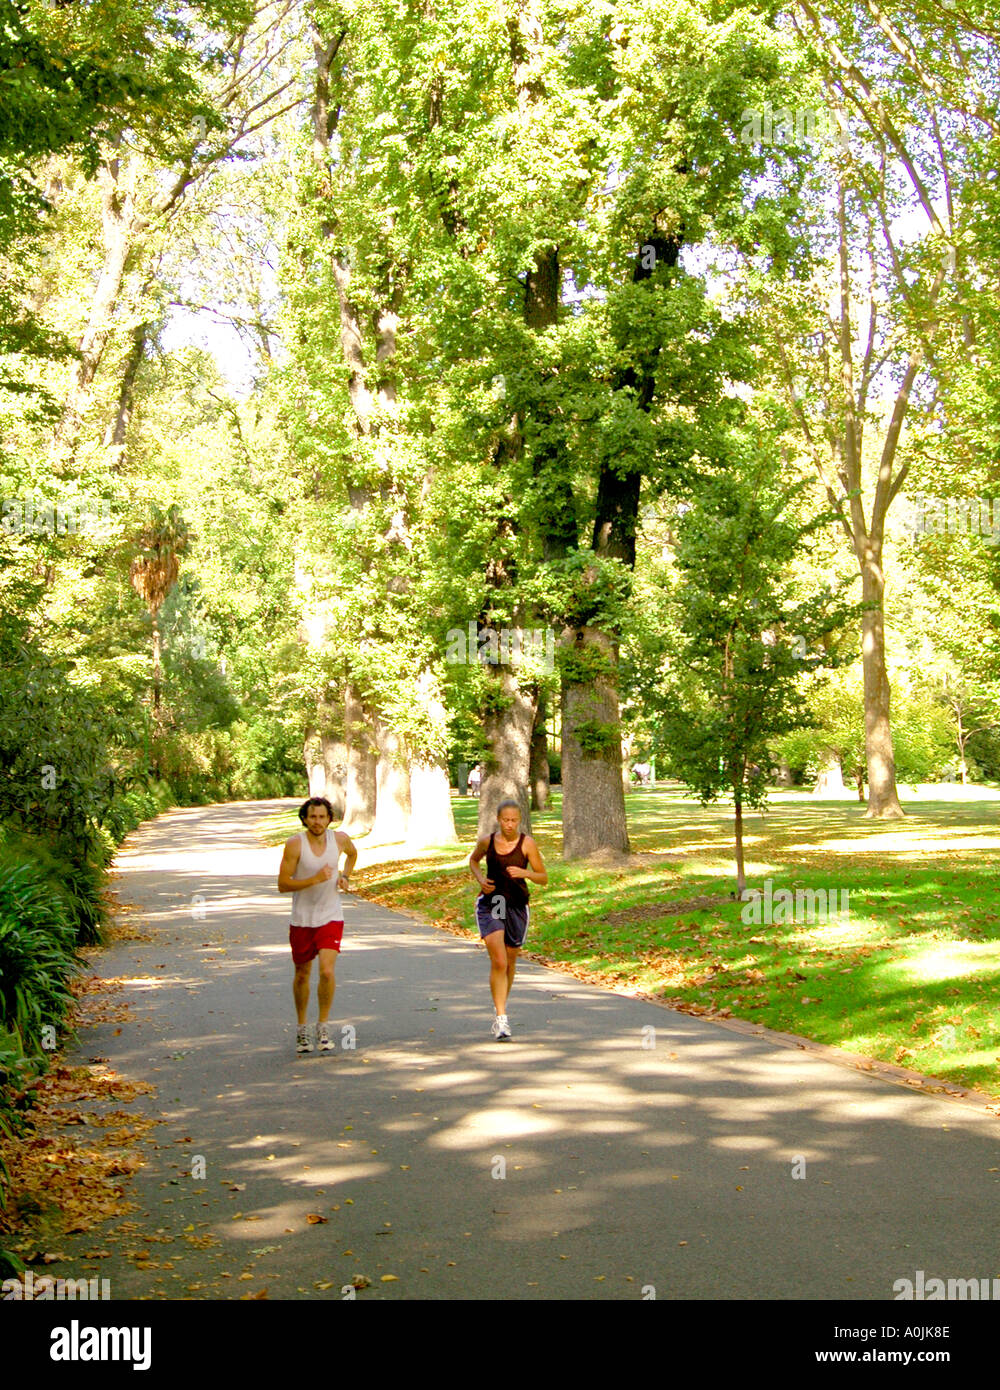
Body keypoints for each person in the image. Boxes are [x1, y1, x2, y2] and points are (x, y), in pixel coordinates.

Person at [278, 797, 356, 1054]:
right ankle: (302, 1028)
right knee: (302, 974)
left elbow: (352, 854)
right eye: (313, 817)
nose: (318, 822)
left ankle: (323, 1026)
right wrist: (314, 879)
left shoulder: (340, 839)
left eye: (322, 817)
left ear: (329, 819)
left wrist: (344, 875)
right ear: (304, 818)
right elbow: (283, 884)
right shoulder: (295, 844)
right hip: (302, 918)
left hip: (331, 916)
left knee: (327, 971)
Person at [468, 800, 547, 1040]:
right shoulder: (488, 842)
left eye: (514, 820)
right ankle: (501, 1019)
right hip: (492, 904)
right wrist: (481, 879)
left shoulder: (527, 844)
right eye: (505, 820)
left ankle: (500, 1004)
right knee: (500, 961)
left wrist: (526, 873)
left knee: (511, 961)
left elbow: (543, 877)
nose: (509, 824)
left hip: (516, 905)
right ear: (498, 820)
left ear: (519, 820)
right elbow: (473, 860)